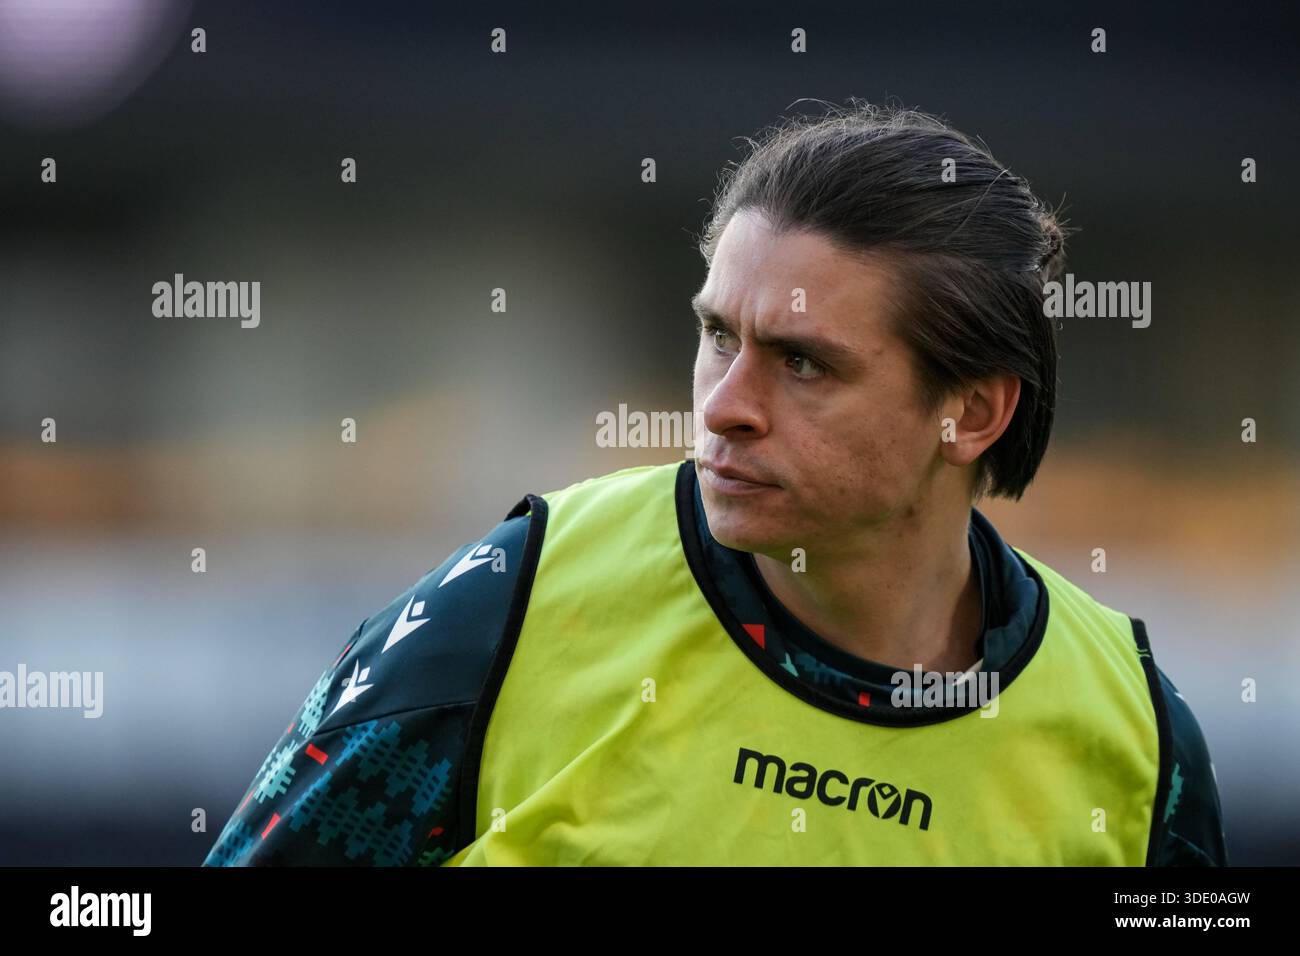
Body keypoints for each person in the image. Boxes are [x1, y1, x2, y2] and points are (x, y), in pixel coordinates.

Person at [203, 101, 1226, 866]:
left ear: (972, 413)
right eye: (715, 335)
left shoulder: (1135, 739)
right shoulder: (510, 605)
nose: (725, 404)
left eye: (803, 362)